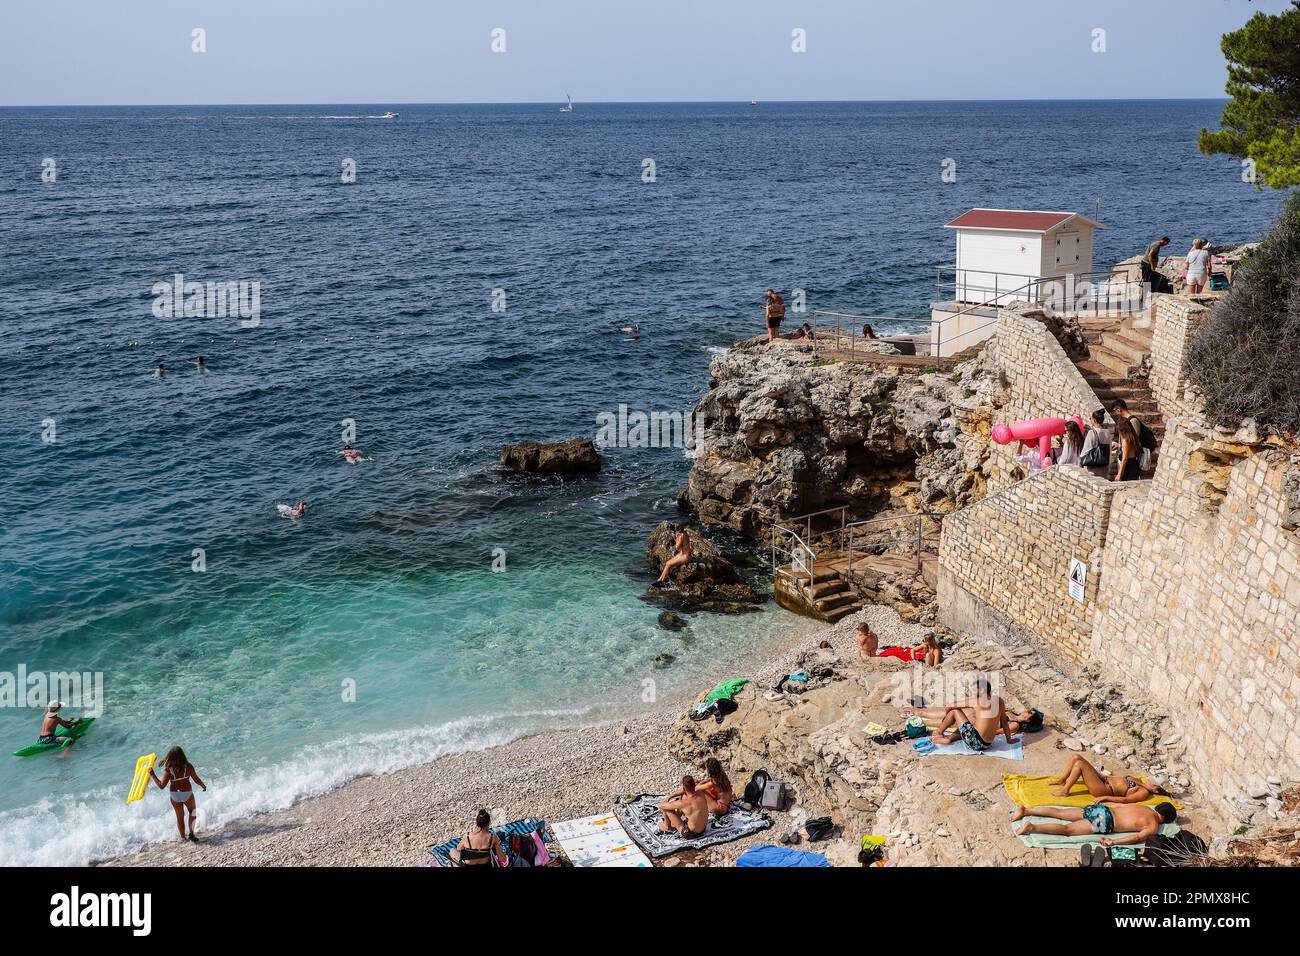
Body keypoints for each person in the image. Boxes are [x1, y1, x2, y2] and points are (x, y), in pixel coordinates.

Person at [1012, 801, 1177, 847]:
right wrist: (1114, 842)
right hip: (1106, 821)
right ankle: (1031, 827)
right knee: (1067, 830)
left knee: (1060, 813)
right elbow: (1136, 837)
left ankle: (1026, 810)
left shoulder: (1144, 807)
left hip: (1104, 810)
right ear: (1165, 818)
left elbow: (1121, 806)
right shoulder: (1153, 824)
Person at [928, 677, 1019, 751]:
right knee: (970, 725)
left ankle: (939, 732)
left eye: (975, 690)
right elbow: (1004, 722)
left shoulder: (977, 701)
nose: (973, 692)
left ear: (981, 690)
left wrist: (947, 715)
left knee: (955, 711)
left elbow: (951, 706)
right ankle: (949, 739)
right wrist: (1009, 739)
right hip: (987, 744)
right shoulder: (1000, 701)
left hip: (974, 743)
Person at [1048, 754, 1172, 802]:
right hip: (1104, 779)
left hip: (1104, 789)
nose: (1151, 781)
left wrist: (1105, 797)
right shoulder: (1140, 781)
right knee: (1076, 757)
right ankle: (1062, 780)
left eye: (1153, 784)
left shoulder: (1142, 792)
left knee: (1080, 765)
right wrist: (1099, 775)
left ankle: (1065, 791)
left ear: (1155, 790)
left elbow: (1125, 801)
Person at [149, 746, 207, 842]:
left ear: (171, 757)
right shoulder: (188, 766)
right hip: (187, 794)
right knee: (192, 812)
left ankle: (182, 838)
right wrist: (203, 785)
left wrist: (152, 774)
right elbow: (196, 779)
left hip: (175, 795)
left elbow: (161, 785)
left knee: (179, 817)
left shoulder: (169, 770)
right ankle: (192, 834)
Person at [858, 623, 943, 666]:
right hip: (872, 652)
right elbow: (913, 650)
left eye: (925, 641)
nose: (923, 642)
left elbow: (935, 665)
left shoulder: (936, 650)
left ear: (930, 641)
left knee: (928, 655)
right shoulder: (925, 645)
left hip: (929, 663)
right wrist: (914, 659)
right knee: (896, 652)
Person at [652, 523, 692, 587]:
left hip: (685, 556)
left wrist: (676, 538)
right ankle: (660, 580)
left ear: (677, 530)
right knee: (667, 563)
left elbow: (677, 547)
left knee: (668, 564)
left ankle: (661, 581)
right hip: (683, 554)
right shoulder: (685, 533)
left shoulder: (681, 536)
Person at [1080, 408, 1111, 479]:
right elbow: (1109, 450)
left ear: (1094, 420)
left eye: (1091, 418)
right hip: (1104, 467)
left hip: (1092, 468)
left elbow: (1085, 450)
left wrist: (1081, 461)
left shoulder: (1091, 432)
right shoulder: (1107, 432)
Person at [1113, 417, 1140, 482]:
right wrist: (1120, 446)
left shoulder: (1125, 439)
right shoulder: (1132, 436)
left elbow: (1125, 459)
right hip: (1134, 464)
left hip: (1128, 467)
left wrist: (1119, 474)